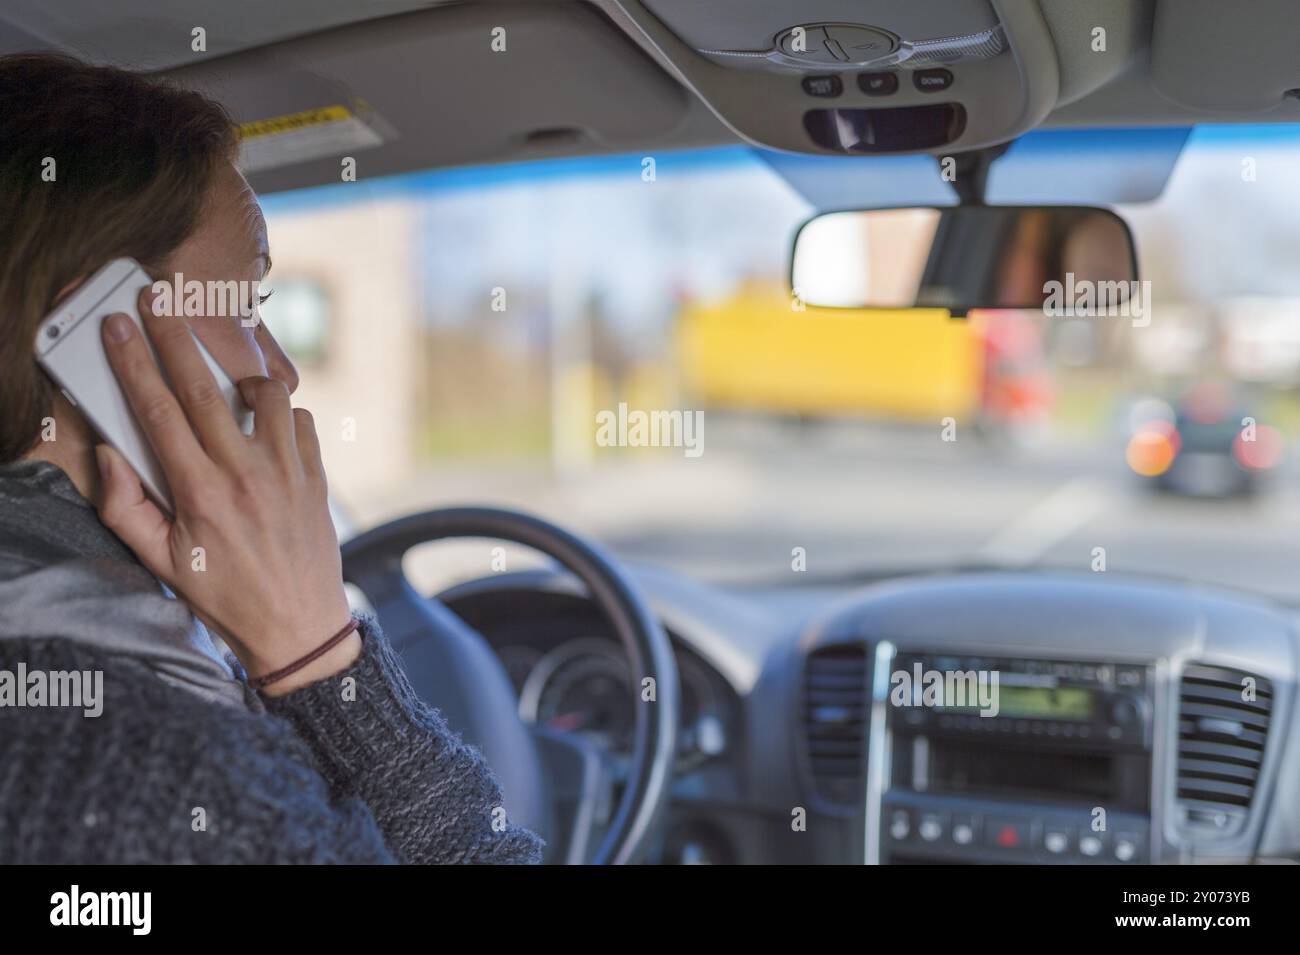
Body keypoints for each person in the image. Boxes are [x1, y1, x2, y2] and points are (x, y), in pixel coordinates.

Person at [0, 52, 542, 864]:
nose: (280, 370)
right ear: (100, 330)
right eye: (247, 305)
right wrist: (316, 652)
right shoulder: (166, 776)